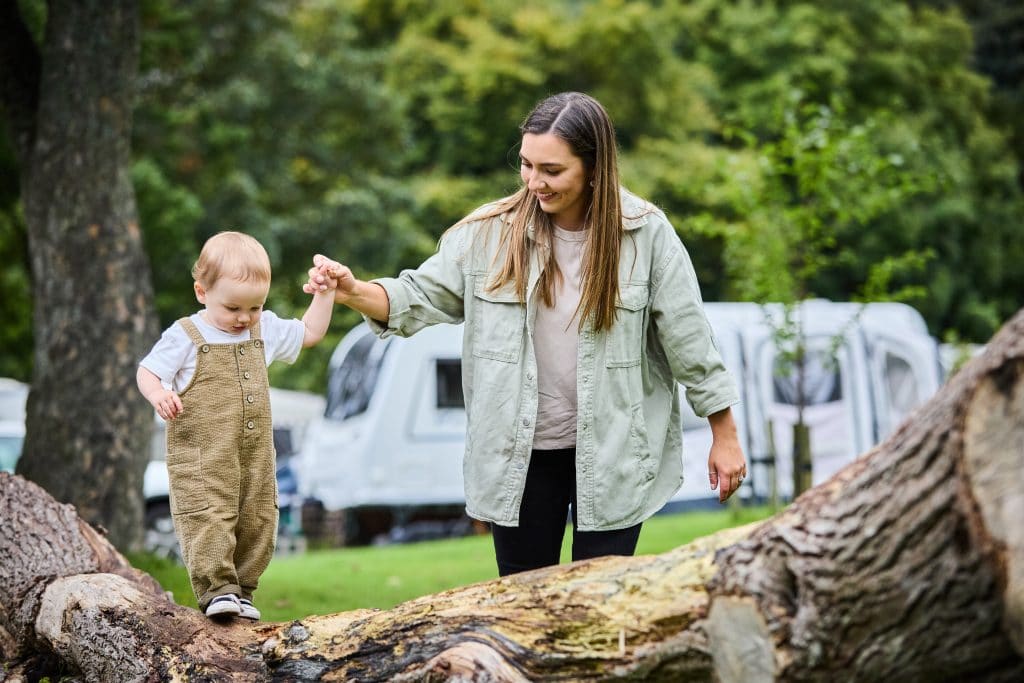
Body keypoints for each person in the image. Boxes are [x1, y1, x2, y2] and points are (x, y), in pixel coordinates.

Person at [307, 92, 747, 576]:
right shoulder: (488, 234)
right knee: (521, 605)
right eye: (526, 165)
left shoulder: (646, 235)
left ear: (595, 166)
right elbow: (418, 296)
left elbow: (690, 341)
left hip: (613, 451)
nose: (534, 181)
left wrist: (723, 435)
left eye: (551, 170)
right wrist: (353, 290)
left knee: (596, 605)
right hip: (521, 456)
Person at [137, 231, 337, 619]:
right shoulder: (185, 335)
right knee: (209, 514)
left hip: (254, 455)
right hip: (202, 455)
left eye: (255, 307)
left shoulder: (263, 331)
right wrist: (158, 393)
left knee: (258, 517)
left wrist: (324, 294)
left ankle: (243, 590)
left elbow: (310, 333)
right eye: (232, 308)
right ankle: (217, 589)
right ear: (202, 292)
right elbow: (148, 370)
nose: (244, 318)